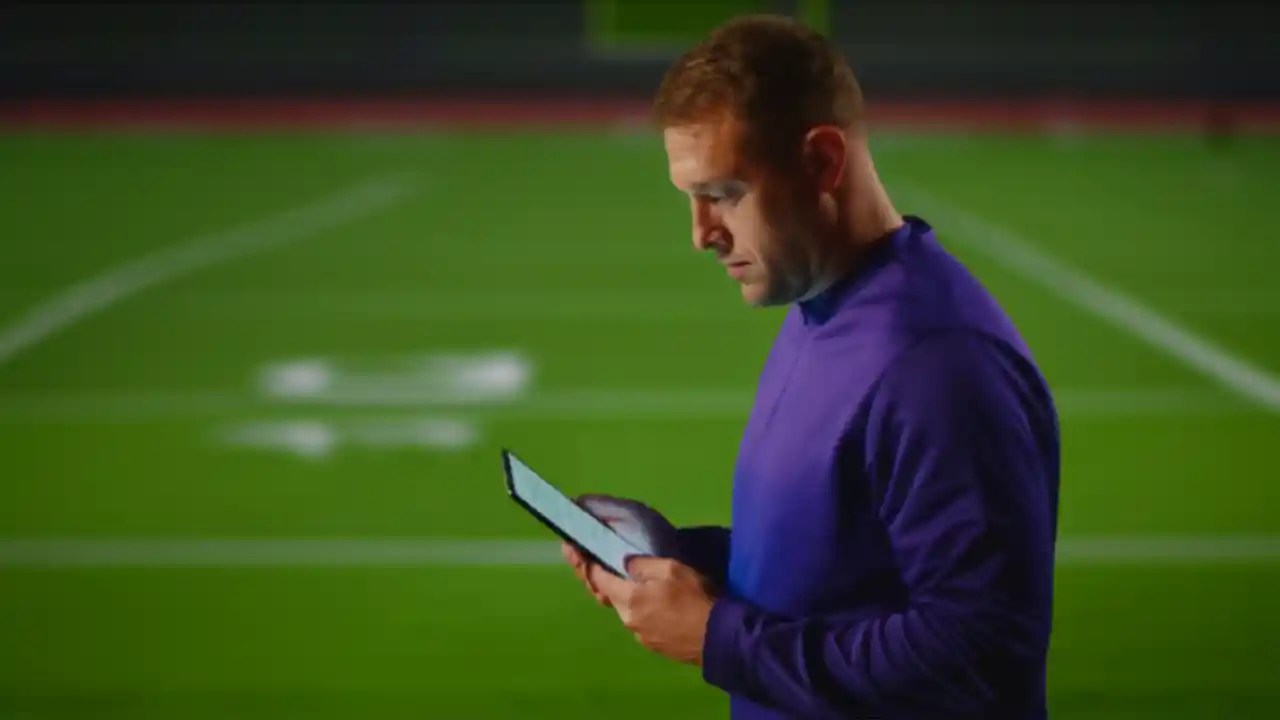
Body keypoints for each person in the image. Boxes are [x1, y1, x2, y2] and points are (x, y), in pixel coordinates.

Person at [561, 13, 1060, 720]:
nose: (701, 234)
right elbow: (839, 565)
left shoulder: (936, 364)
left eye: (724, 195)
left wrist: (716, 638)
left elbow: (973, 654)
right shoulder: (824, 305)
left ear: (823, 162)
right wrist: (680, 560)